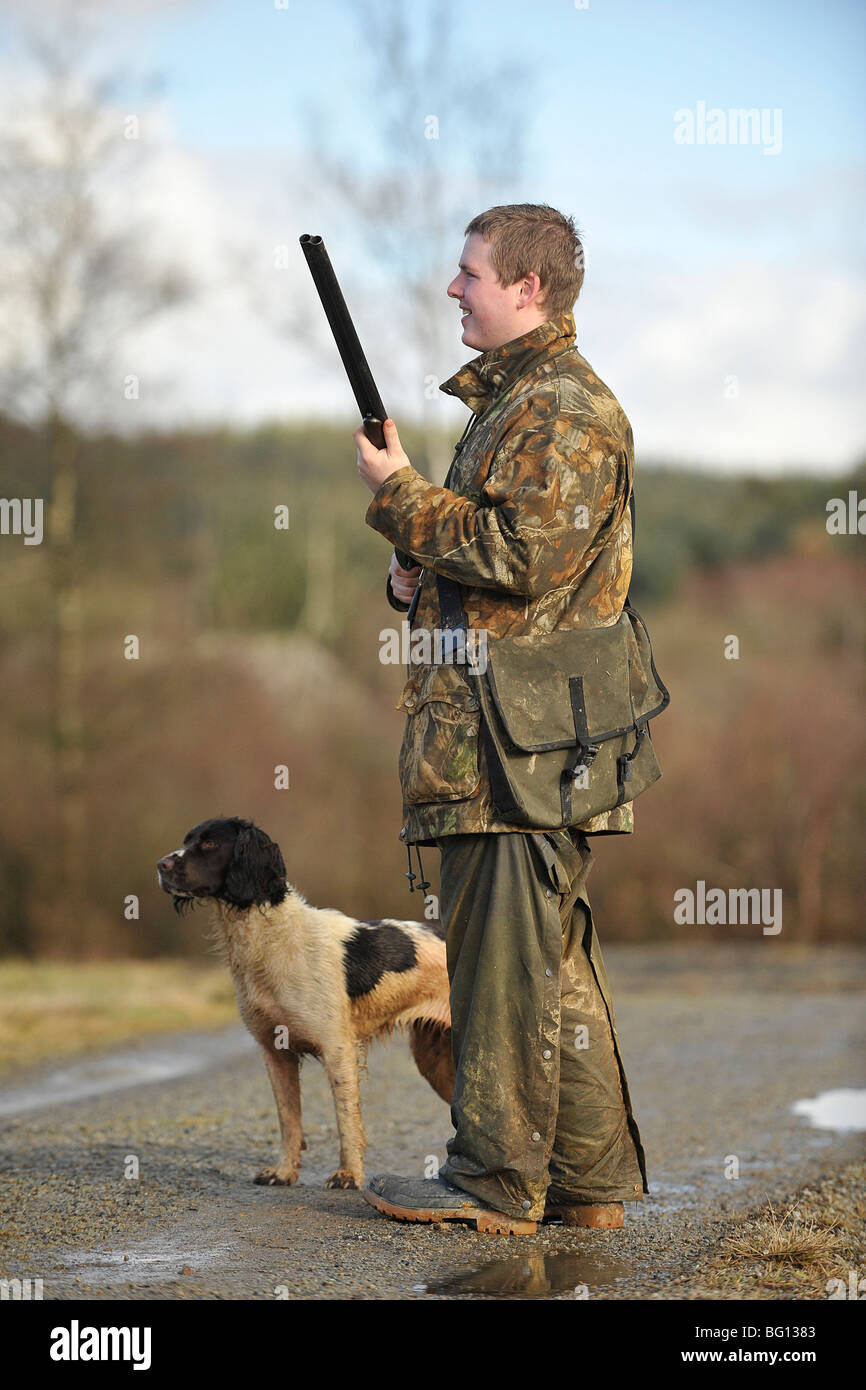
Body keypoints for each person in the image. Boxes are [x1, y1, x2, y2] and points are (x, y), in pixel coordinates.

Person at [353, 203, 649, 1235]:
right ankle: (585, 1187)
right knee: (549, 973)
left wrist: (398, 496)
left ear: (528, 288)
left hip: (515, 756)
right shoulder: (515, 402)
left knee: (503, 977)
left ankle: (492, 1182)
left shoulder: (560, 408)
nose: (452, 287)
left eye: (469, 272)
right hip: (509, 747)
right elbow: (493, 562)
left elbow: (524, 559)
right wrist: (411, 566)